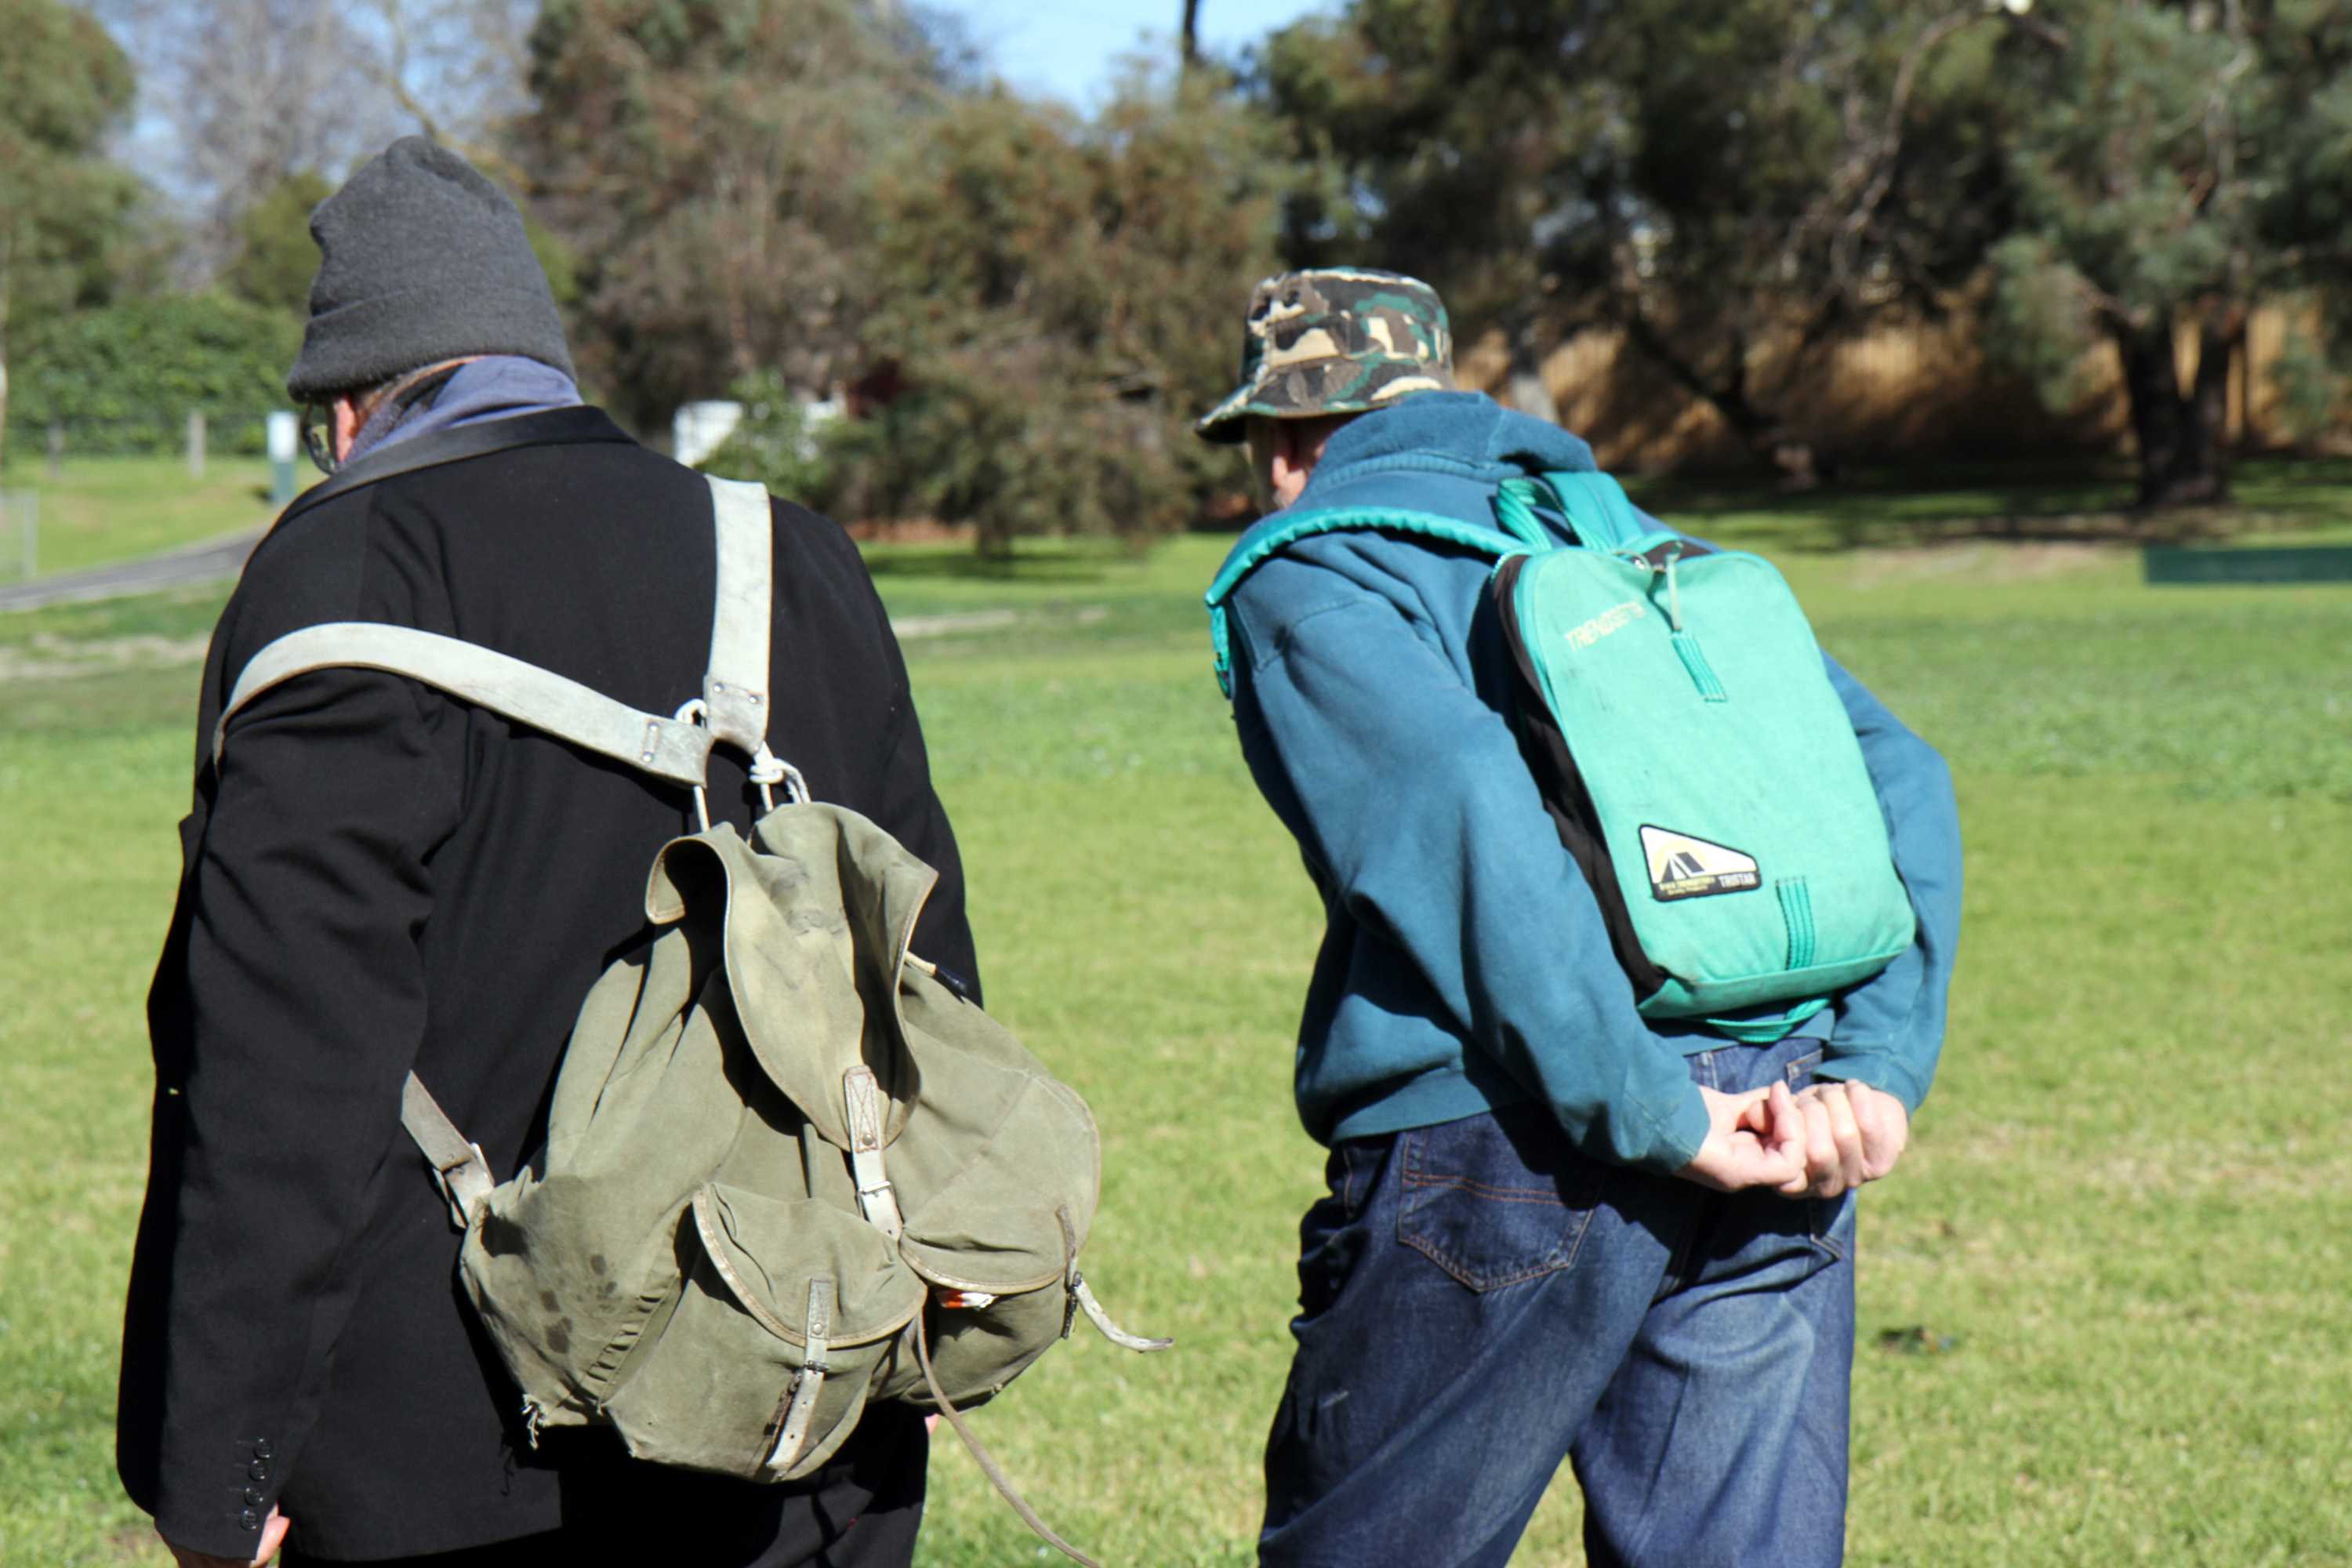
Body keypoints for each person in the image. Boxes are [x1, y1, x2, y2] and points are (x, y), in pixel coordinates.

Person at [116, 137, 971, 1568]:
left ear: (347, 408)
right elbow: (921, 972)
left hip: (445, 1457)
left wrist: (221, 1460)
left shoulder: (339, 573)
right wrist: (934, 1294)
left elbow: (282, 1064)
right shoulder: (796, 557)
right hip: (801, 1397)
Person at [1195, 268, 1962, 1567]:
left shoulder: (1315, 564)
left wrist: (1651, 1110)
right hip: (1780, 1117)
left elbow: (1460, 811)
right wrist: (1876, 1066)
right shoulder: (1639, 543)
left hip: (1505, 1141)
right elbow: (1902, 771)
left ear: (1283, 440)